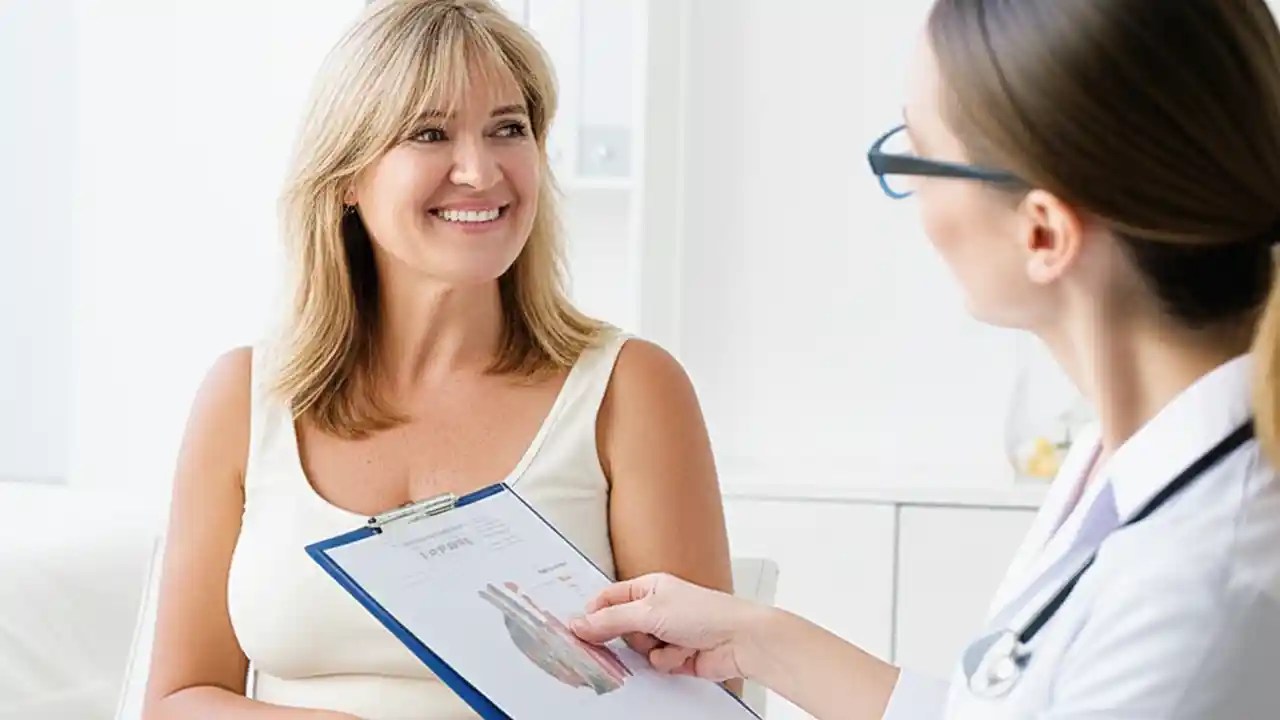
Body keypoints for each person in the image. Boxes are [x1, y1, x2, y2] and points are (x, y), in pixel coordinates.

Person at [570, 1, 1280, 718]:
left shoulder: (1202, 589)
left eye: (914, 158)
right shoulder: (1136, 454)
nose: (918, 212)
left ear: (1042, 233)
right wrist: (755, 639)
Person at [142, 1, 734, 718]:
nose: (480, 172)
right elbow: (178, 701)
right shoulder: (245, 397)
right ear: (347, 177)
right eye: (429, 133)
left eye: (508, 129)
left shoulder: (628, 390)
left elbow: (701, 704)